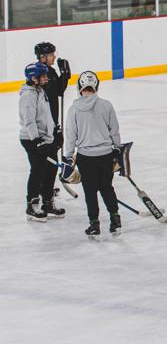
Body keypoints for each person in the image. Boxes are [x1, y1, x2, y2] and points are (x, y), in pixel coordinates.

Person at [64, 71, 122, 238]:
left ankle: (94, 224)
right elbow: (114, 130)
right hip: (105, 155)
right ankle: (115, 219)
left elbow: (71, 135)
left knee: (90, 192)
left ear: (79, 87)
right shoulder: (106, 105)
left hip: (86, 157)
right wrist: (117, 149)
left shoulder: (74, 109)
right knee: (106, 188)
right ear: (95, 85)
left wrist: (68, 156)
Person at [20, 62, 59, 222]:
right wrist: (36, 140)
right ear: (33, 78)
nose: (46, 78)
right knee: (37, 170)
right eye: (42, 76)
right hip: (31, 139)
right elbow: (29, 121)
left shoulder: (40, 91)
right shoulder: (28, 96)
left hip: (45, 138)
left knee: (51, 169)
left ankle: (48, 203)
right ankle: (32, 205)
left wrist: (54, 132)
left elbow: (46, 116)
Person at [34, 42, 71, 130]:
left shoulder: (51, 71)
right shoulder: (36, 73)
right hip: (43, 121)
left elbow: (59, 91)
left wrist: (64, 75)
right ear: (42, 57)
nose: (54, 57)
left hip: (53, 117)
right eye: (51, 55)